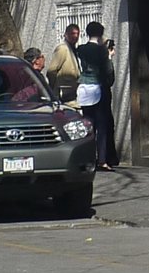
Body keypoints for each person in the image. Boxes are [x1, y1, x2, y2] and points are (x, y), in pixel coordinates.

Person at [74, 21, 117, 170]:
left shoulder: (81, 49)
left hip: (83, 87)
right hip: (98, 87)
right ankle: (102, 160)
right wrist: (109, 56)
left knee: (88, 125)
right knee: (101, 126)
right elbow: (108, 72)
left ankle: (88, 158)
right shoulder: (102, 51)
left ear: (87, 33)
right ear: (100, 33)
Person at [43, 23, 82, 106]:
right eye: (72, 33)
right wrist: (54, 88)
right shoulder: (63, 49)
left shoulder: (73, 49)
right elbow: (52, 70)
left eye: (77, 34)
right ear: (66, 34)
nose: (75, 36)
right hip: (63, 93)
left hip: (73, 92)